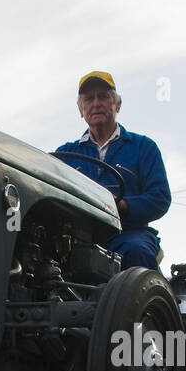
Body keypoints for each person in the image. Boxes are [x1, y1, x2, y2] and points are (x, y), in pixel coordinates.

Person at [54, 71, 171, 271]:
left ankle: (150, 301)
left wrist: (123, 205)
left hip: (129, 234)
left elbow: (159, 199)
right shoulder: (65, 154)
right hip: (78, 240)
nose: (96, 103)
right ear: (81, 109)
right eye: (89, 99)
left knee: (137, 251)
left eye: (103, 96)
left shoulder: (143, 147)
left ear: (117, 104)